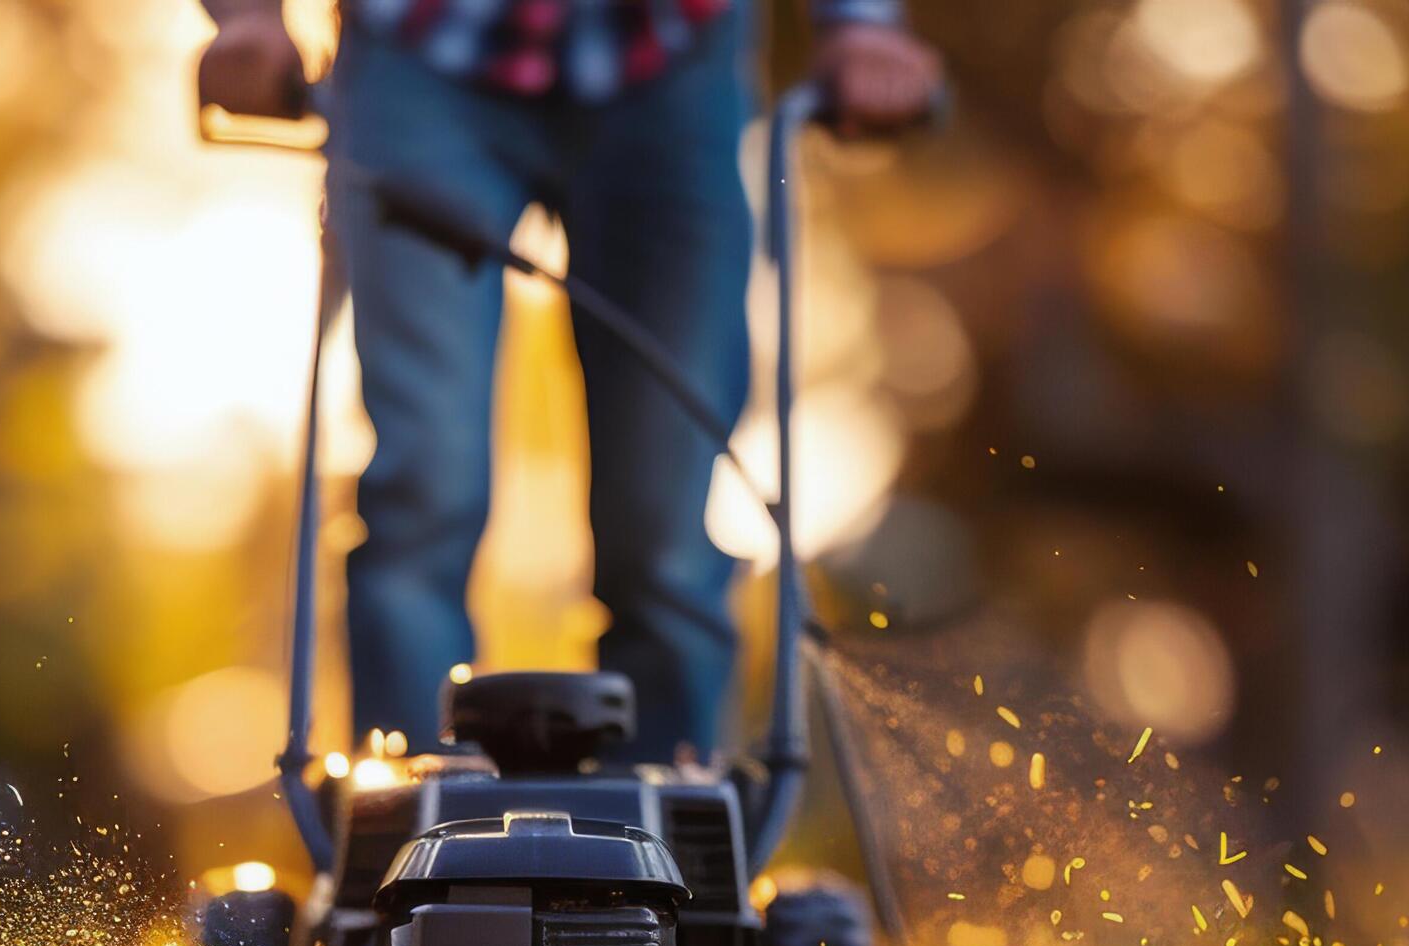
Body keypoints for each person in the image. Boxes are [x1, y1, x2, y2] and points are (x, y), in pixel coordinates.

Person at [197, 0, 939, 766]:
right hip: (417, 59)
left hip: (671, 63)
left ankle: (670, 829)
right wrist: (250, 17)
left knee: (666, 537)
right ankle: (410, 817)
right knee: (424, 487)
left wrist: (862, 24)